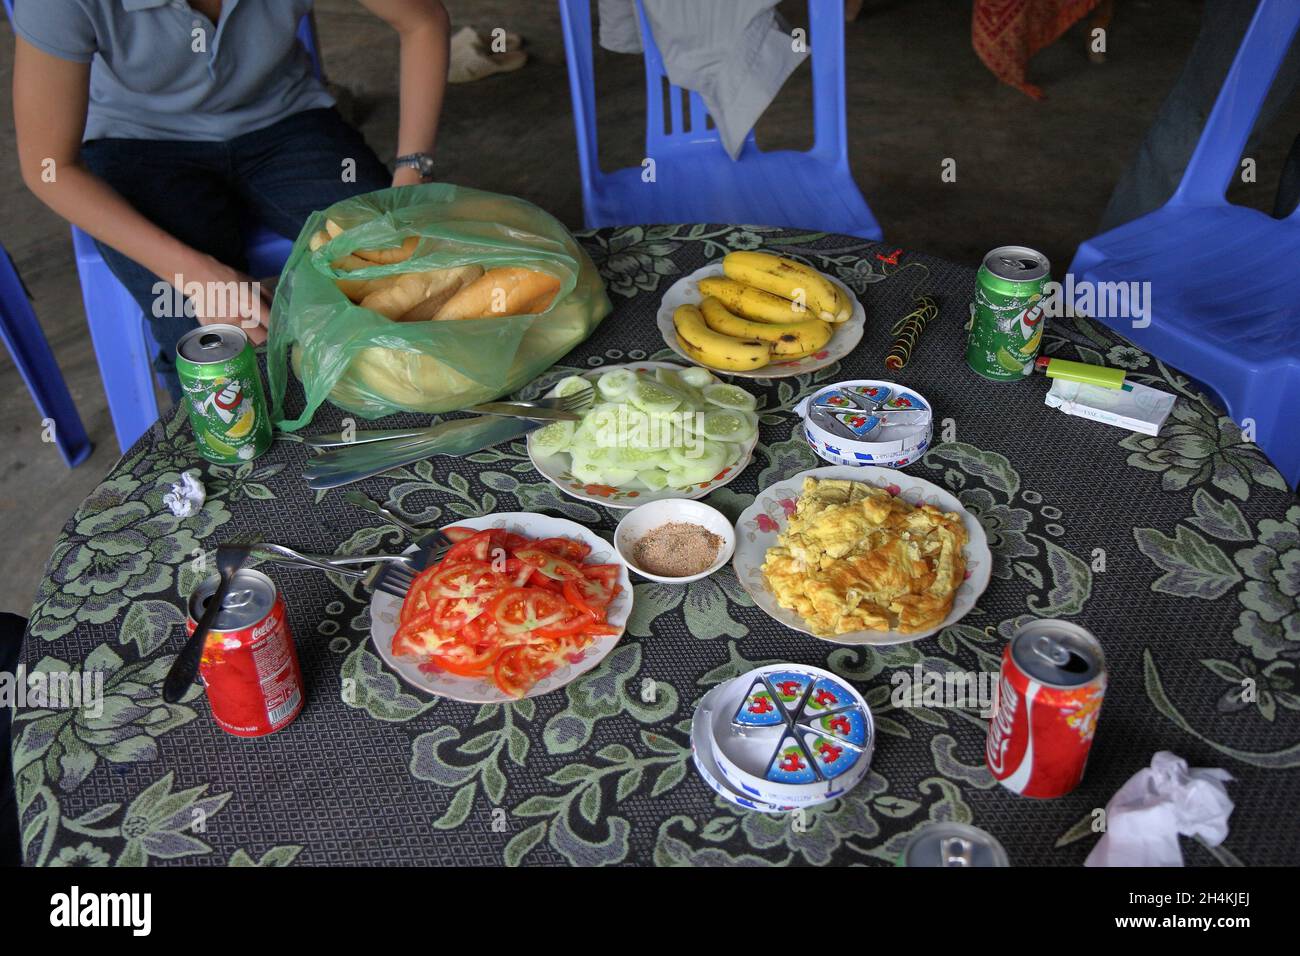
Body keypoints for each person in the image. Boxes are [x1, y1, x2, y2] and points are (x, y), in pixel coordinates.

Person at [12, 0, 451, 399]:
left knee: (403, 269)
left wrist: (411, 174)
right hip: (137, 141)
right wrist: (196, 274)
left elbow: (422, 22)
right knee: (215, 350)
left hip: (286, 119)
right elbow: (48, 169)